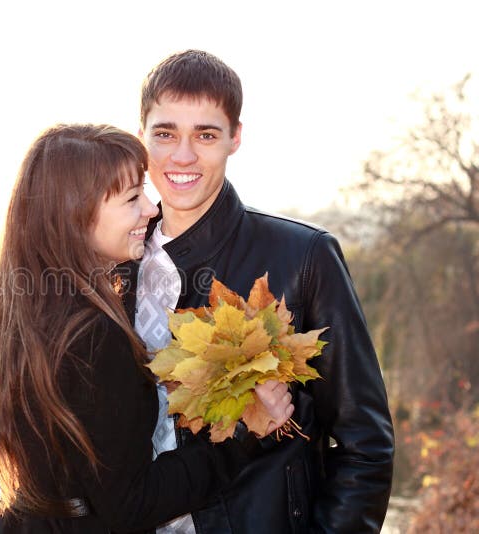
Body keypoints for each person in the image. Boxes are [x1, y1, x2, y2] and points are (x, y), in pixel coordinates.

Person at [0, 124, 294, 533]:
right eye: (132, 198)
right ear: (78, 216)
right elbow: (131, 505)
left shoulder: (10, 313)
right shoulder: (94, 336)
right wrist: (243, 433)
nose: (151, 209)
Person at [120, 50, 395, 533]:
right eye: (165, 133)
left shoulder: (302, 258)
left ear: (235, 138)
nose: (182, 156)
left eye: (205, 134)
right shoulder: (111, 263)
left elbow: (365, 446)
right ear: (141, 134)